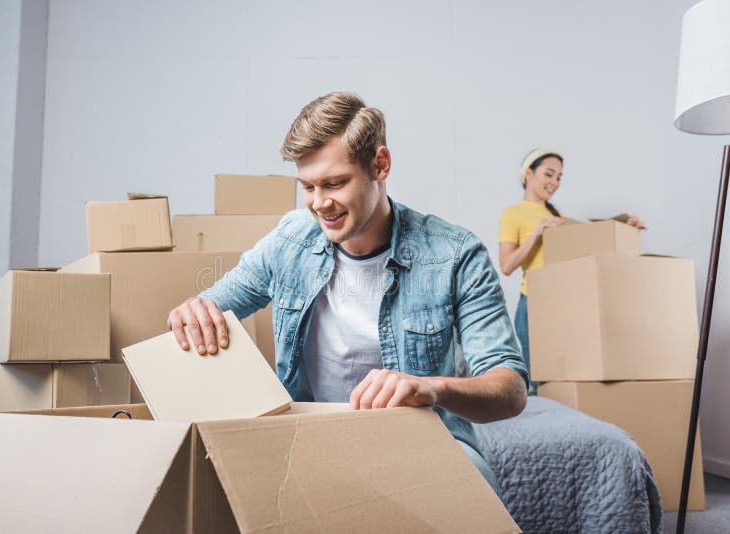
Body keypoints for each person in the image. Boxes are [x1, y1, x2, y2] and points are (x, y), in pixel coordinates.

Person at [167, 92, 528, 492]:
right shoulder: (289, 240)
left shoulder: (454, 254)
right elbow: (209, 307)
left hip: (426, 439)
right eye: (307, 187)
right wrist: (191, 312)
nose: (320, 204)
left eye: (335, 183)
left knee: (476, 491)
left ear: (380, 165)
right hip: (307, 440)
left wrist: (430, 388)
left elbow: (510, 390)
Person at [498, 149, 645, 395]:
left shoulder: (560, 218)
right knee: (537, 384)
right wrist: (537, 233)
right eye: (549, 174)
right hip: (533, 305)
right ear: (529, 174)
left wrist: (625, 226)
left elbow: (590, 239)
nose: (554, 183)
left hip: (564, 306)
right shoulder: (513, 214)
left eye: (559, 177)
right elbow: (507, 265)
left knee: (563, 381)